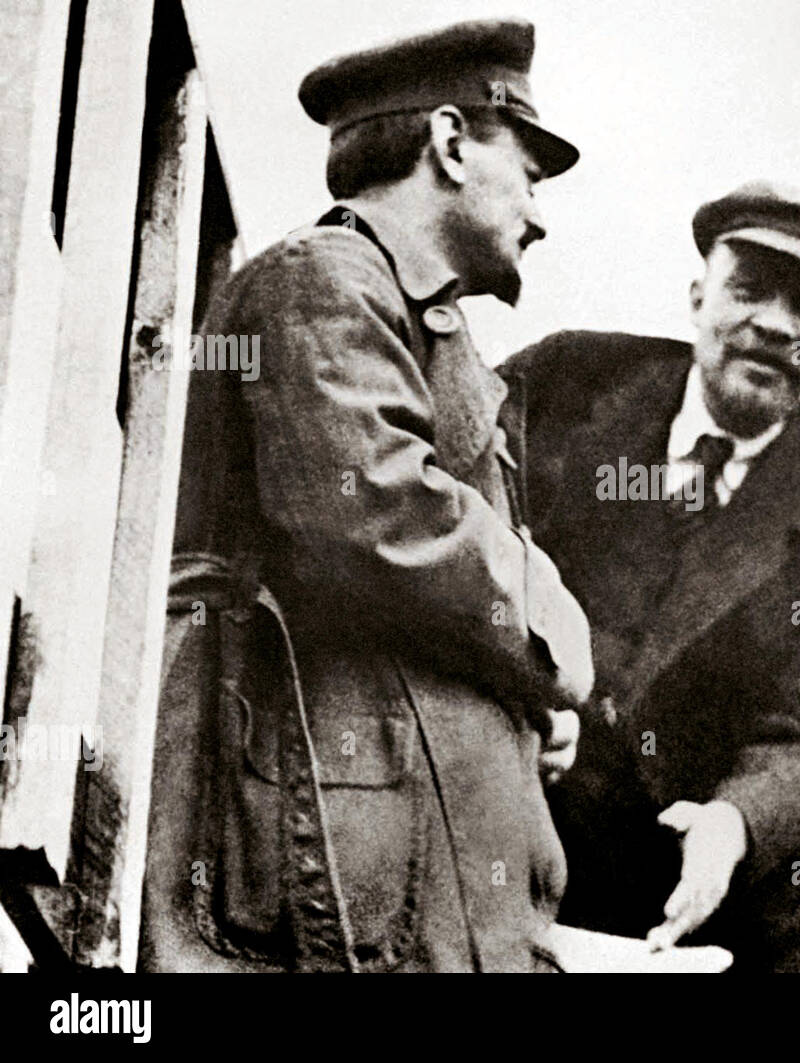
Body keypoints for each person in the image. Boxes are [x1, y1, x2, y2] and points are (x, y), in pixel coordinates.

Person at [143, 18, 593, 973]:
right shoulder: (322, 280)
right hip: (321, 901)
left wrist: (527, 694)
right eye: (533, 171)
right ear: (450, 141)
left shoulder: (406, 319)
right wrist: (545, 618)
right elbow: (373, 515)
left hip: (396, 899)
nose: (541, 213)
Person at [498, 182, 800, 971]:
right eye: (750, 289)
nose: (776, 324)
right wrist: (524, 685)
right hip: (501, 797)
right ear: (697, 295)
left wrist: (732, 825)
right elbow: (456, 529)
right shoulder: (564, 383)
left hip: (673, 869)